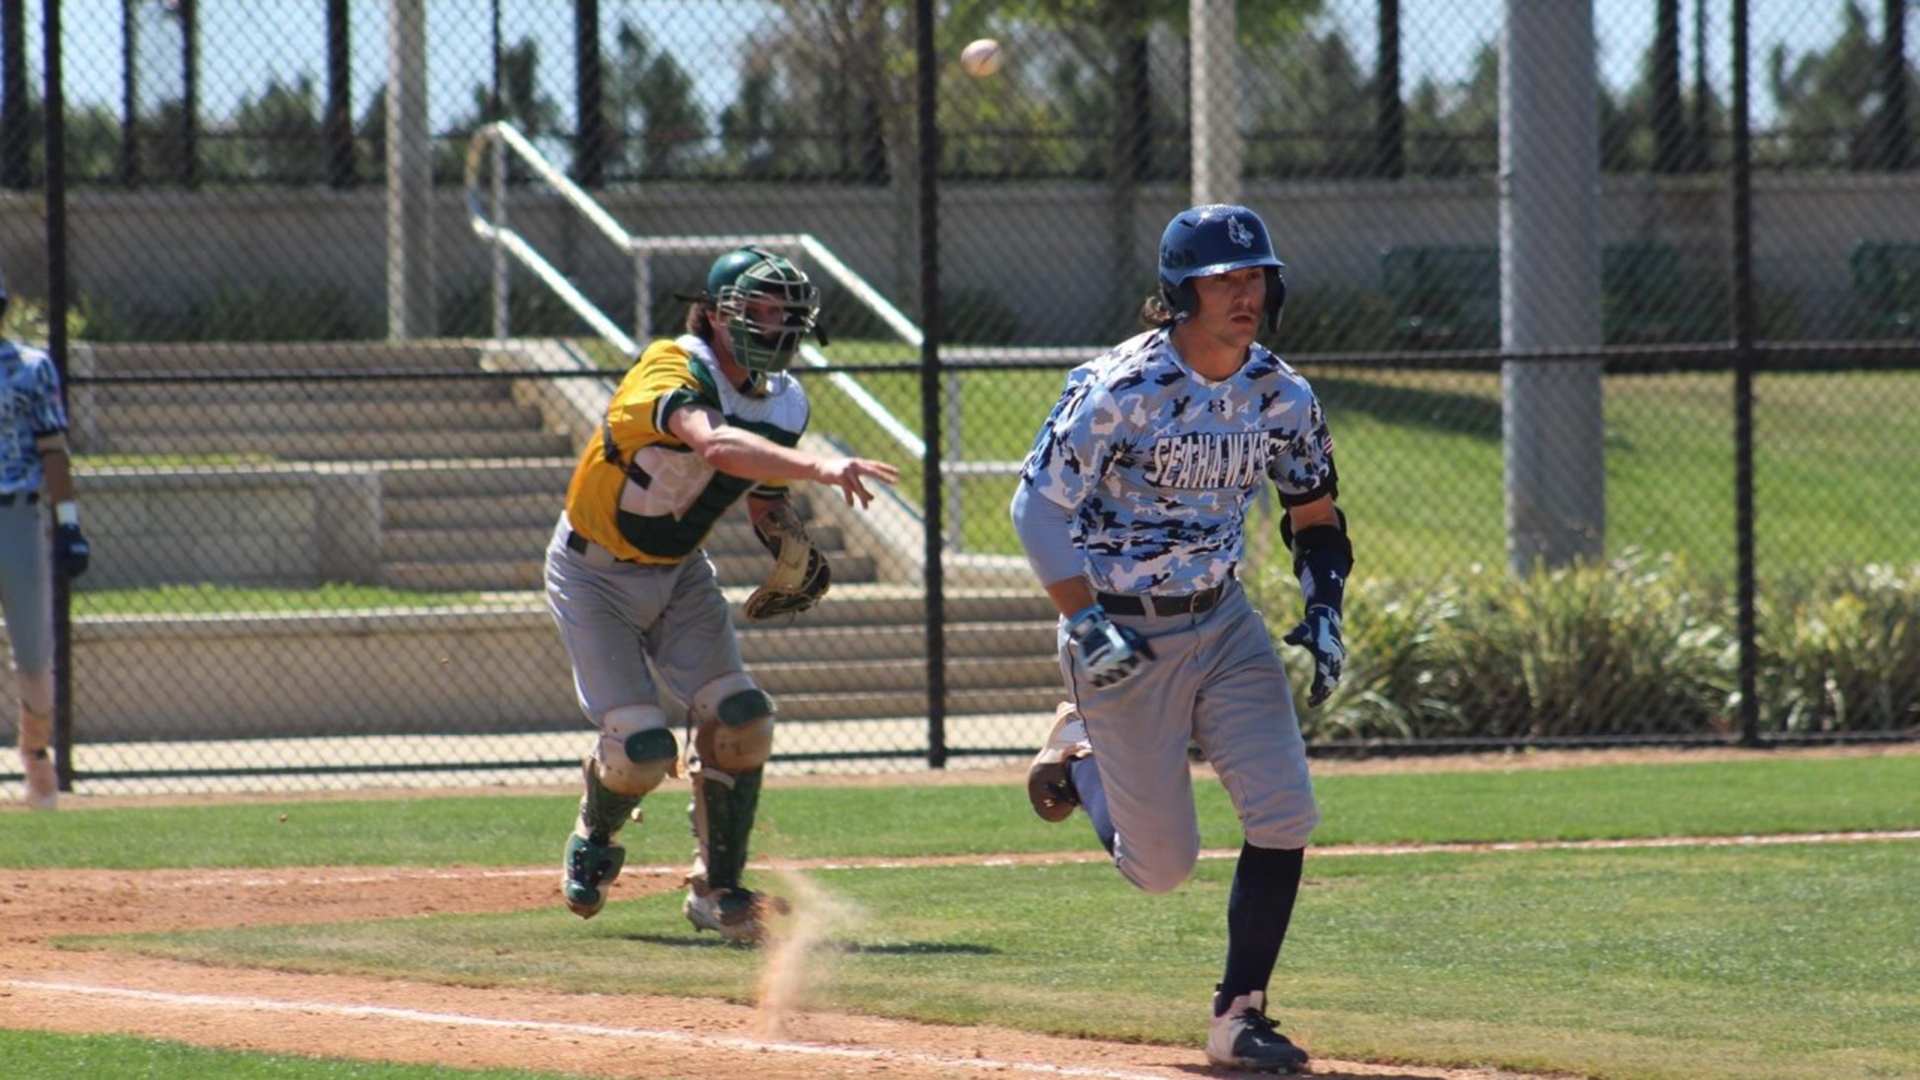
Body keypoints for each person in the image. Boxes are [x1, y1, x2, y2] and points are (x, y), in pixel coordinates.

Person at [1008, 204, 1349, 1073]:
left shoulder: (1282, 393)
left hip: (1223, 622)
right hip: (1118, 628)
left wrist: (1325, 605)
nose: (1245, 293)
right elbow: (1035, 509)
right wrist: (1082, 622)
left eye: (1255, 276)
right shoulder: (1118, 389)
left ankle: (1240, 1017)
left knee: (1286, 812)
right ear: (1179, 291)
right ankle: (1079, 757)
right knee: (1161, 868)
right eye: (1222, 279)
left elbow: (1312, 512)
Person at [546, 246, 898, 943]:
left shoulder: (786, 401)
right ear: (714, 314)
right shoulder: (670, 367)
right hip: (594, 573)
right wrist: (823, 467)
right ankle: (597, 826)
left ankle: (718, 889)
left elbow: (759, 494)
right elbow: (713, 447)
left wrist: (786, 541)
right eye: (763, 311)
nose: (779, 328)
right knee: (642, 749)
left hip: (678, 571)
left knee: (741, 715)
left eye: (789, 315)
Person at [1, 272, 92, 811]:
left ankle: (36, 760)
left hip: (16, 515)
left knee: (34, 654)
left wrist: (70, 523)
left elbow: (54, 448)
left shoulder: (32, 368)